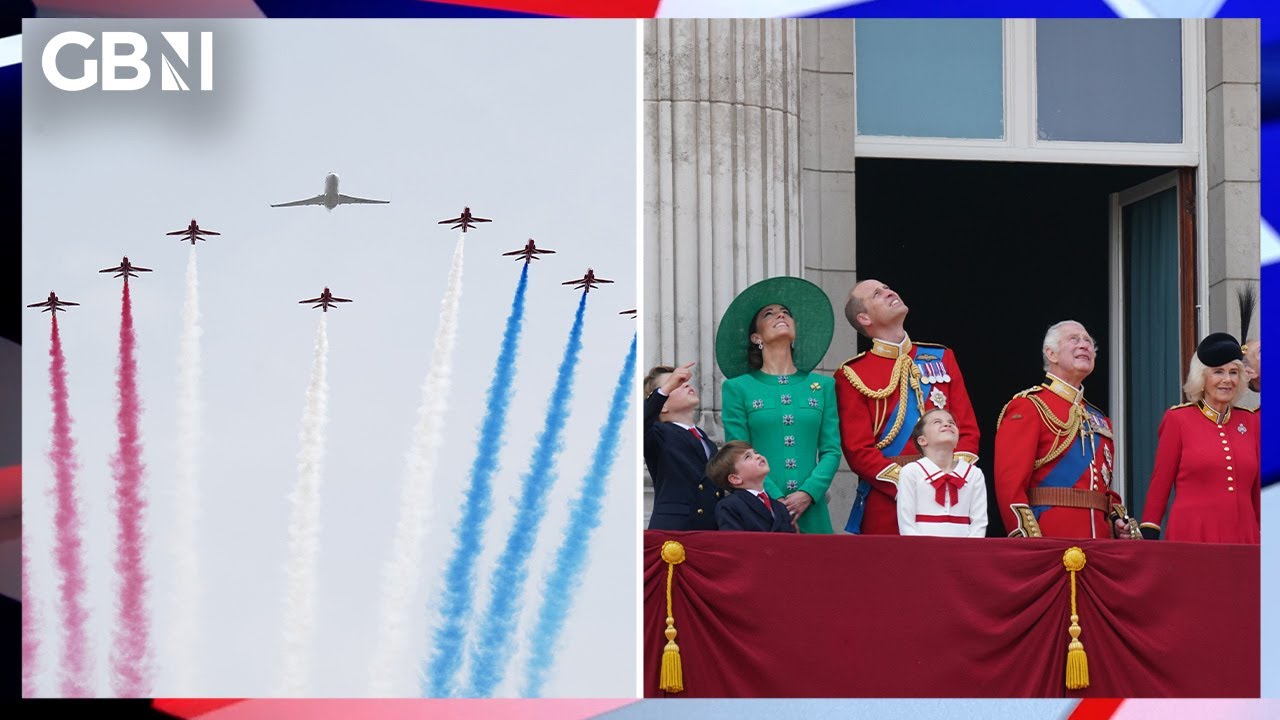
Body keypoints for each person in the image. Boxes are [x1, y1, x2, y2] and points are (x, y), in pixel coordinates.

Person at [834, 279, 981, 535]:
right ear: (864, 318)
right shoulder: (851, 374)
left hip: (949, 496)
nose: (889, 291)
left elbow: (967, 430)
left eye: (887, 287)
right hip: (890, 500)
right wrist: (913, 484)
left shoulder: (942, 358)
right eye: (877, 294)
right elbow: (858, 450)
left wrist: (950, 479)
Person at [715, 276, 841, 534]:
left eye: (786, 313)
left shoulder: (823, 386)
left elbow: (831, 450)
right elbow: (739, 451)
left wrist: (808, 492)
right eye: (769, 314)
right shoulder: (737, 388)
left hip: (812, 507)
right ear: (755, 337)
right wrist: (776, 498)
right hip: (763, 507)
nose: (780, 315)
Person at [994, 320, 1137, 539]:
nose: (1084, 345)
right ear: (1051, 354)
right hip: (1051, 538)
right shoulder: (1029, 406)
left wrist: (1116, 522)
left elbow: (1103, 489)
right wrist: (1027, 540)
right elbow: (1009, 485)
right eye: (1074, 339)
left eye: (1088, 341)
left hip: (1100, 543)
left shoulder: (1099, 419)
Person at [1138, 333, 1260, 544]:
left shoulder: (1250, 421)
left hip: (1245, 539)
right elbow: (1161, 483)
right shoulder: (1178, 419)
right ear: (1201, 378)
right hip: (1192, 536)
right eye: (1218, 372)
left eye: (1233, 372)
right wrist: (1150, 532)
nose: (1227, 380)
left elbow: (1257, 491)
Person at [643, 361, 722, 530]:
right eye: (675, 384)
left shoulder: (704, 439)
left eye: (683, 382)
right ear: (662, 405)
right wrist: (665, 389)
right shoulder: (656, 434)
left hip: (709, 529)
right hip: (674, 530)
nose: (685, 384)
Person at [896, 409, 987, 537]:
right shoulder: (911, 472)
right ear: (922, 440)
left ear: (957, 440)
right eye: (937, 422)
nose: (947, 424)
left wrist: (969, 553)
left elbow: (979, 523)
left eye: (951, 422)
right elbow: (906, 524)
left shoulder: (974, 474)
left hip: (963, 551)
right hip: (923, 551)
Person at [708, 440, 795, 532]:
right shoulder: (729, 506)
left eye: (755, 452)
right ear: (735, 478)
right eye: (748, 457)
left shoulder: (780, 507)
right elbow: (734, 543)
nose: (758, 456)